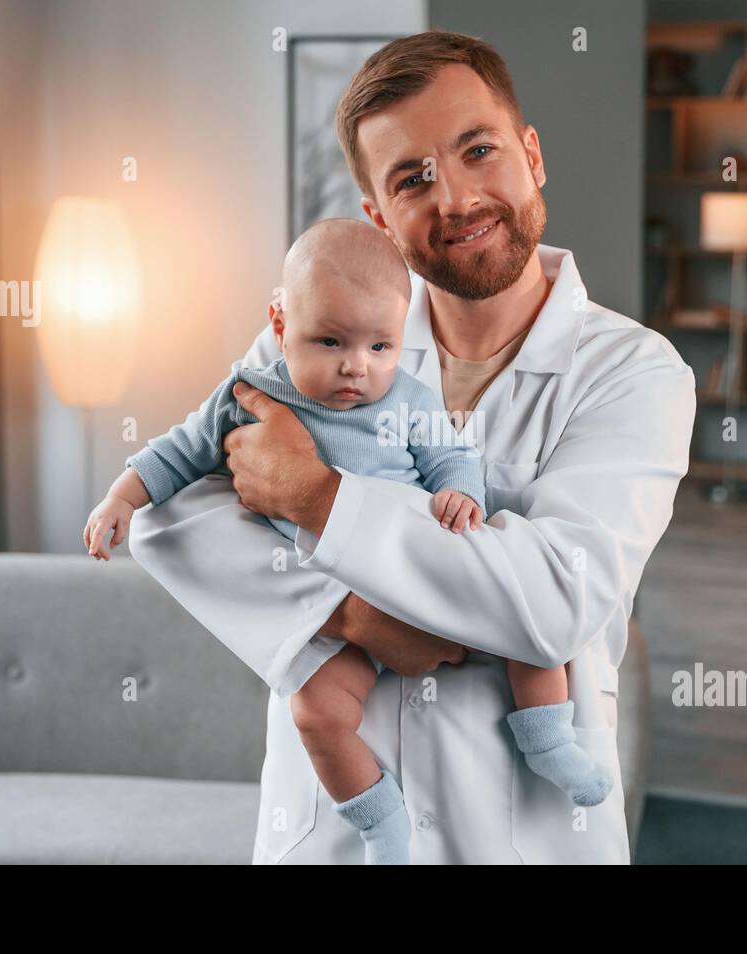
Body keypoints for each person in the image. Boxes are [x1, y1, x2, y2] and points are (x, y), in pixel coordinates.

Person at [128, 31, 696, 864]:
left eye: (479, 150)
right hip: (333, 841)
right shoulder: (313, 347)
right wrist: (351, 614)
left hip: (520, 840)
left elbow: (551, 599)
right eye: (412, 179)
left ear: (531, 155)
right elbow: (168, 513)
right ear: (380, 219)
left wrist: (316, 498)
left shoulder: (634, 372)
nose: (457, 198)